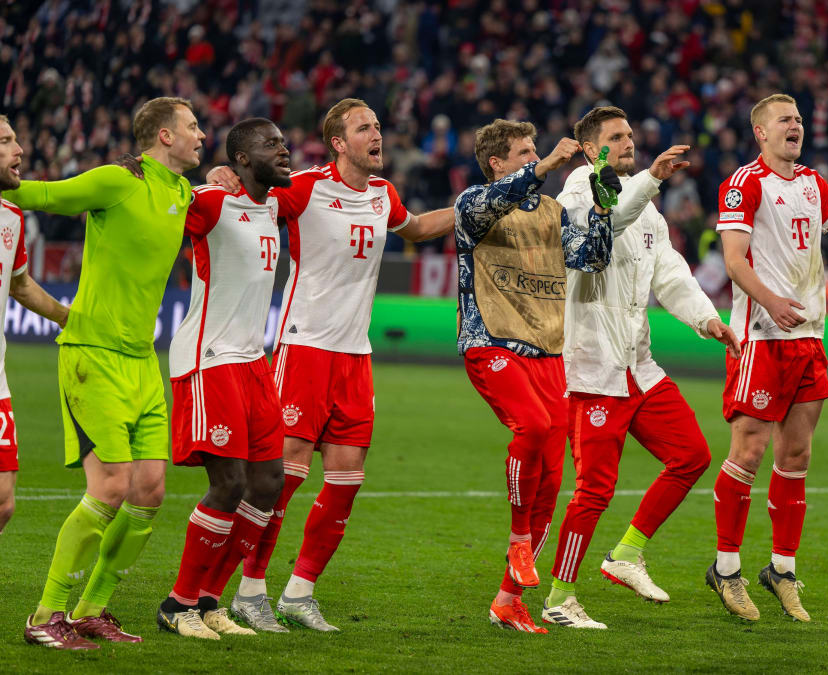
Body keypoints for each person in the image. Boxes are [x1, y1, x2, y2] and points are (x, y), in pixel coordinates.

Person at [207, 98, 455, 632]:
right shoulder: (305, 187)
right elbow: (249, 196)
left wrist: (473, 206)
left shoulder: (383, 193)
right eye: (364, 128)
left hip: (355, 357)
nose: (377, 135)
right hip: (305, 350)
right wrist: (219, 175)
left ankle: (300, 593)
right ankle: (250, 591)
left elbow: (415, 228)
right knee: (281, 480)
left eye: (378, 126)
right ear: (339, 143)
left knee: (346, 481)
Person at [7, 97, 203, 648]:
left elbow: (222, 197)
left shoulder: (183, 192)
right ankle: (45, 615)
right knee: (112, 486)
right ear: (164, 135)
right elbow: (44, 195)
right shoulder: (117, 180)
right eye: (192, 126)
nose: (201, 134)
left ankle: (91, 609)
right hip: (92, 356)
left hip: (143, 361)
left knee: (150, 491)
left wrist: (222, 179)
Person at [542, 106, 739, 629]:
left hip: (639, 365)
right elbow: (607, 224)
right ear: (591, 150)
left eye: (630, 134)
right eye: (616, 136)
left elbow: (669, 273)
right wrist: (652, 178)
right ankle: (559, 598)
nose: (628, 141)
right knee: (594, 491)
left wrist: (707, 319)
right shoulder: (578, 192)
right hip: (594, 368)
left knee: (691, 455)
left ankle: (626, 554)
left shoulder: (648, 207)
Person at [709, 93, 828, 622]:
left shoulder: (814, 183)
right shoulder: (744, 183)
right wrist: (771, 302)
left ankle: (782, 570)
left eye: (799, 119)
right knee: (748, 451)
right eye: (784, 120)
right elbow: (733, 261)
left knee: (795, 457)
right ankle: (726, 569)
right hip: (761, 337)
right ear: (761, 132)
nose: (796, 126)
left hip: (808, 338)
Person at [455, 118, 616, 633]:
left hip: (548, 352)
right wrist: (545, 165)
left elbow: (591, 260)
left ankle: (508, 599)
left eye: (534, 150)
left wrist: (602, 211)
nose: (533, 157)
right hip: (492, 342)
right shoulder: (472, 204)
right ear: (496, 163)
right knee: (532, 426)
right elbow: (497, 198)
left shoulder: (552, 211)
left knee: (551, 481)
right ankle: (519, 538)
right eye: (523, 153)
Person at [156, 118, 294, 639]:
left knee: (269, 483)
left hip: (253, 360)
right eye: (270, 144)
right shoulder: (213, 202)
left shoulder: (276, 204)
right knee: (229, 483)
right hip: (209, 356)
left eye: (284, 142)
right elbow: (159, 205)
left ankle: (210, 601)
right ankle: (179, 603)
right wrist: (203, 177)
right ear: (241, 158)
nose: (283, 150)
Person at [0, 116, 71, 543]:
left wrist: (67, 318)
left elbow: (21, 284)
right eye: (5, 141)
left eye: (16, 140)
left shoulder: (11, 218)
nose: (20, 150)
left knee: (3, 501)